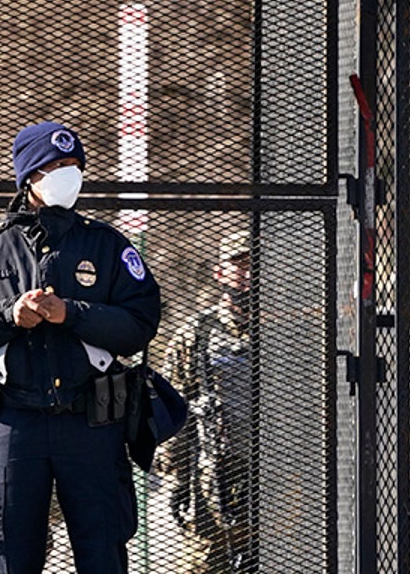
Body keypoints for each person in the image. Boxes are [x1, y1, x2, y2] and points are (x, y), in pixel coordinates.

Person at [0, 121, 162, 574]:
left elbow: (141, 322)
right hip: (11, 421)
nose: (67, 175)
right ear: (29, 177)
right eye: (55, 166)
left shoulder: (108, 245)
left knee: (103, 550)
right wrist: (5, 315)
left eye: (74, 165)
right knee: (8, 553)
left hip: (92, 423)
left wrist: (71, 313)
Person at [158, 229, 256, 573]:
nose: (247, 271)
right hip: (212, 481)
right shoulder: (196, 332)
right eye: (238, 264)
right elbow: (169, 407)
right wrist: (177, 479)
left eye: (254, 262)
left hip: (277, 481)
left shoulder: (288, 328)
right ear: (220, 273)